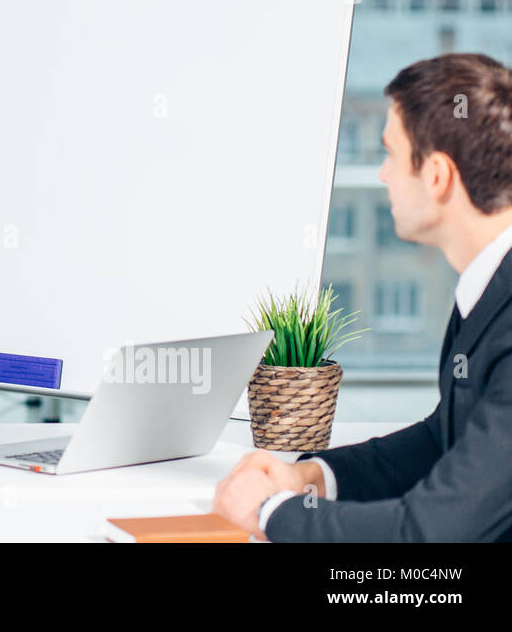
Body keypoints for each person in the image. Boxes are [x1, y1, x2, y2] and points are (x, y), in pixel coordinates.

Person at [214, 53, 512, 542]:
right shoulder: (487, 286)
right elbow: (446, 438)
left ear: (436, 176)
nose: (382, 175)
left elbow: (426, 534)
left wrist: (269, 511)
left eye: (391, 155)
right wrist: (315, 478)